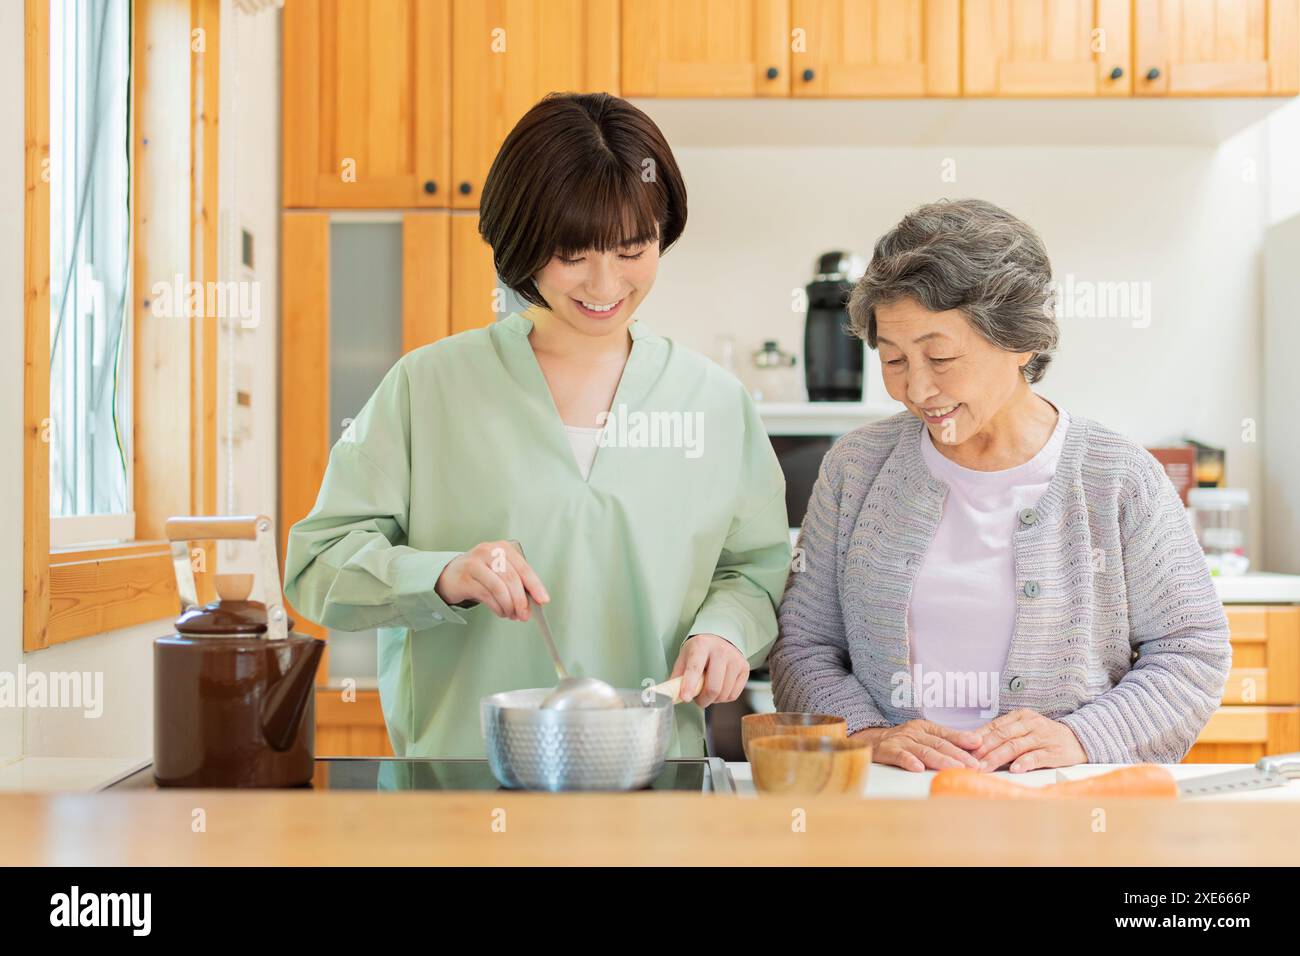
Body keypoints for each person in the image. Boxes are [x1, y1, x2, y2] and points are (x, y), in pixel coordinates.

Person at [285, 93, 790, 758]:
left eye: (632, 249)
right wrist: (442, 575)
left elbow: (753, 572)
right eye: (572, 253)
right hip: (462, 781)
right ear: (522, 244)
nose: (606, 283)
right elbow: (319, 568)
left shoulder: (716, 404)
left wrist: (724, 632)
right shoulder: (428, 386)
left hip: (654, 781)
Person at [772, 198, 1230, 772]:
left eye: (940, 357)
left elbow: (1192, 651)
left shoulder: (1119, 477)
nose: (917, 388)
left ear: (1020, 342)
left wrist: (1084, 738)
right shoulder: (855, 468)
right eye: (893, 360)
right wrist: (863, 733)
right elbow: (802, 645)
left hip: (1061, 804)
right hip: (895, 796)